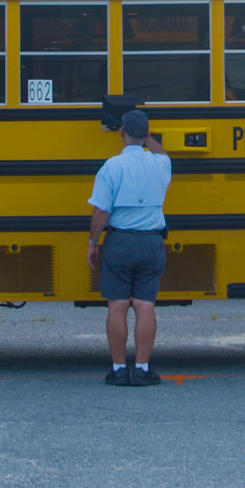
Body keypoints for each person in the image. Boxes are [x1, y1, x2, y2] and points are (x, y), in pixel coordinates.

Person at [87, 108, 171, 386]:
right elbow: (161, 153)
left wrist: (93, 242)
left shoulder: (111, 166)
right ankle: (144, 369)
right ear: (147, 135)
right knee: (145, 305)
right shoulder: (161, 164)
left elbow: (100, 212)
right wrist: (148, 138)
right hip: (151, 241)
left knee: (118, 305)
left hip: (120, 241)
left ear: (121, 133)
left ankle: (119, 368)